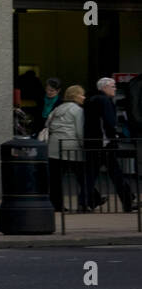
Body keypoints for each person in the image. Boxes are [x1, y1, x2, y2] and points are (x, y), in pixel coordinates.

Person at [83, 77, 134, 212]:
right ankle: (128, 201)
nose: (115, 88)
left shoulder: (90, 100)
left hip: (93, 143)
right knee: (116, 174)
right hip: (105, 143)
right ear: (104, 87)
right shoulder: (105, 100)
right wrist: (115, 135)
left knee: (91, 174)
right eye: (112, 86)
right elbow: (109, 121)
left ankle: (85, 202)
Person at [45, 84, 88, 212]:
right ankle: (90, 200)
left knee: (55, 179)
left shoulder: (58, 108)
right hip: (71, 145)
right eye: (82, 94)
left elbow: (48, 123)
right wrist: (83, 145)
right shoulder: (78, 110)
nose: (84, 97)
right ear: (76, 95)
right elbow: (80, 130)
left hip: (53, 146)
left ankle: (56, 204)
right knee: (82, 175)